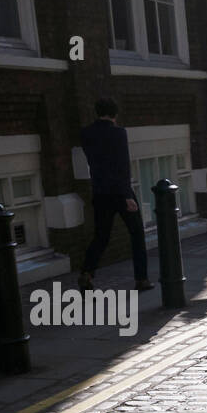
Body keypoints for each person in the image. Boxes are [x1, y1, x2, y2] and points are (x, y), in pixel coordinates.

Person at [78, 98, 150, 293]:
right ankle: (141, 279)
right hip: (120, 191)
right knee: (136, 234)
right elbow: (122, 164)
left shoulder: (86, 134)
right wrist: (127, 195)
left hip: (100, 192)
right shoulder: (118, 133)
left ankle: (87, 273)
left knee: (101, 236)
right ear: (115, 115)